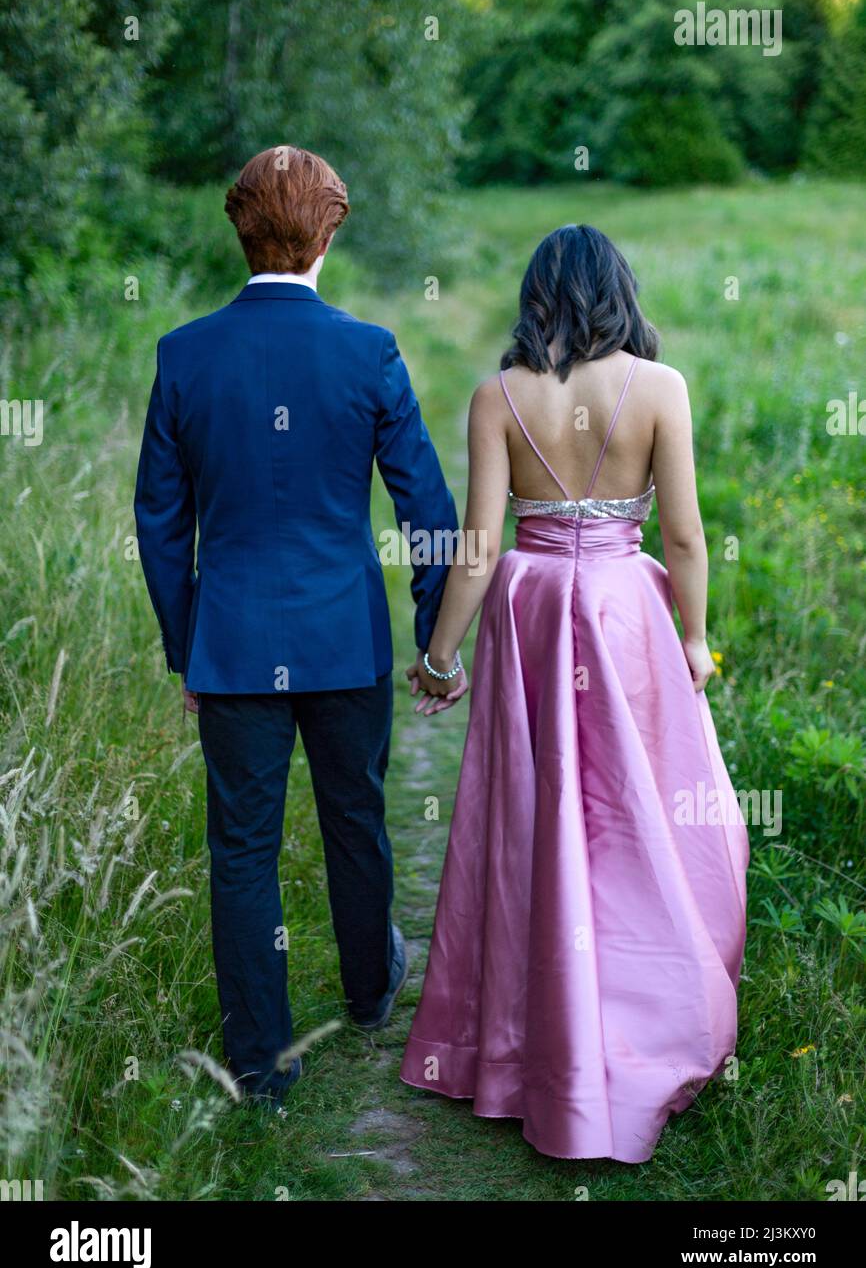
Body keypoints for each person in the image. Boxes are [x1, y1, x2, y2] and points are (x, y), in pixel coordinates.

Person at [401, 224, 749, 1162]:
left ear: (535, 299)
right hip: (625, 615)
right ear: (620, 291)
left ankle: (525, 1051)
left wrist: (439, 655)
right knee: (631, 821)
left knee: (534, 820)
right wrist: (697, 641)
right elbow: (683, 540)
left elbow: (476, 549)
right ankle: (636, 1024)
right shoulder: (660, 388)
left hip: (535, 610)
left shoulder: (497, 396)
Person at [134, 145, 457, 1103]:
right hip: (345, 641)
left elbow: (159, 524)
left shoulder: (184, 354)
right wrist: (432, 641)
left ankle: (261, 1069)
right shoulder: (370, 352)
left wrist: (185, 644)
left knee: (241, 848)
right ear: (331, 229)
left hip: (231, 645)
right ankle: (367, 992)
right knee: (356, 815)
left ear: (240, 227)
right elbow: (430, 517)